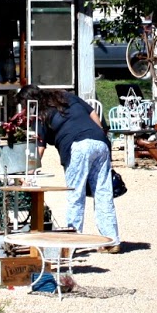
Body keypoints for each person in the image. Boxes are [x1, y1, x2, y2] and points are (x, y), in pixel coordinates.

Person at [37, 86, 119, 251]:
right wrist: (101, 134)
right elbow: (93, 113)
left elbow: (40, 147)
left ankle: (72, 243)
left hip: (77, 146)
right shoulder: (68, 98)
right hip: (100, 142)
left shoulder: (41, 114)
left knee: (75, 194)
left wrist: (31, 169)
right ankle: (112, 241)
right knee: (103, 192)